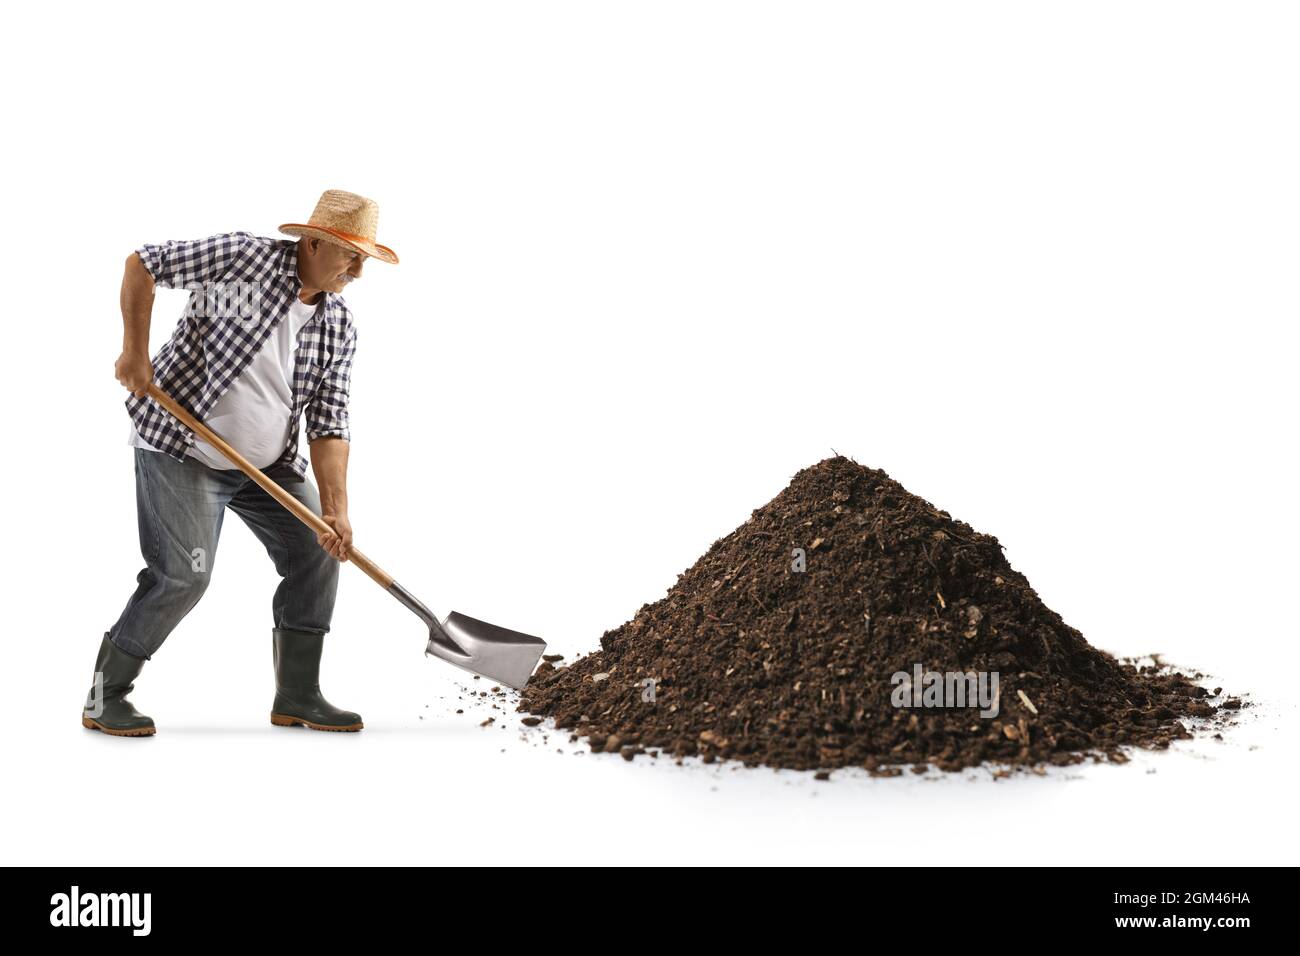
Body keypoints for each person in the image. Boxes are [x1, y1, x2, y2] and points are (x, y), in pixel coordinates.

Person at [83, 189, 399, 736]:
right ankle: (104, 696)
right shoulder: (240, 260)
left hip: (267, 465)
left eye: (364, 260)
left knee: (318, 549)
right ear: (317, 242)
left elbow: (330, 424)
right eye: (352, 256)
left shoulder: (338, 325)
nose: (359, 272)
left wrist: (336, 510)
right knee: (184, 577)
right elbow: (144, 264)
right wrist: (135, 351)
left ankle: (298, 695)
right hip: (183, 448)